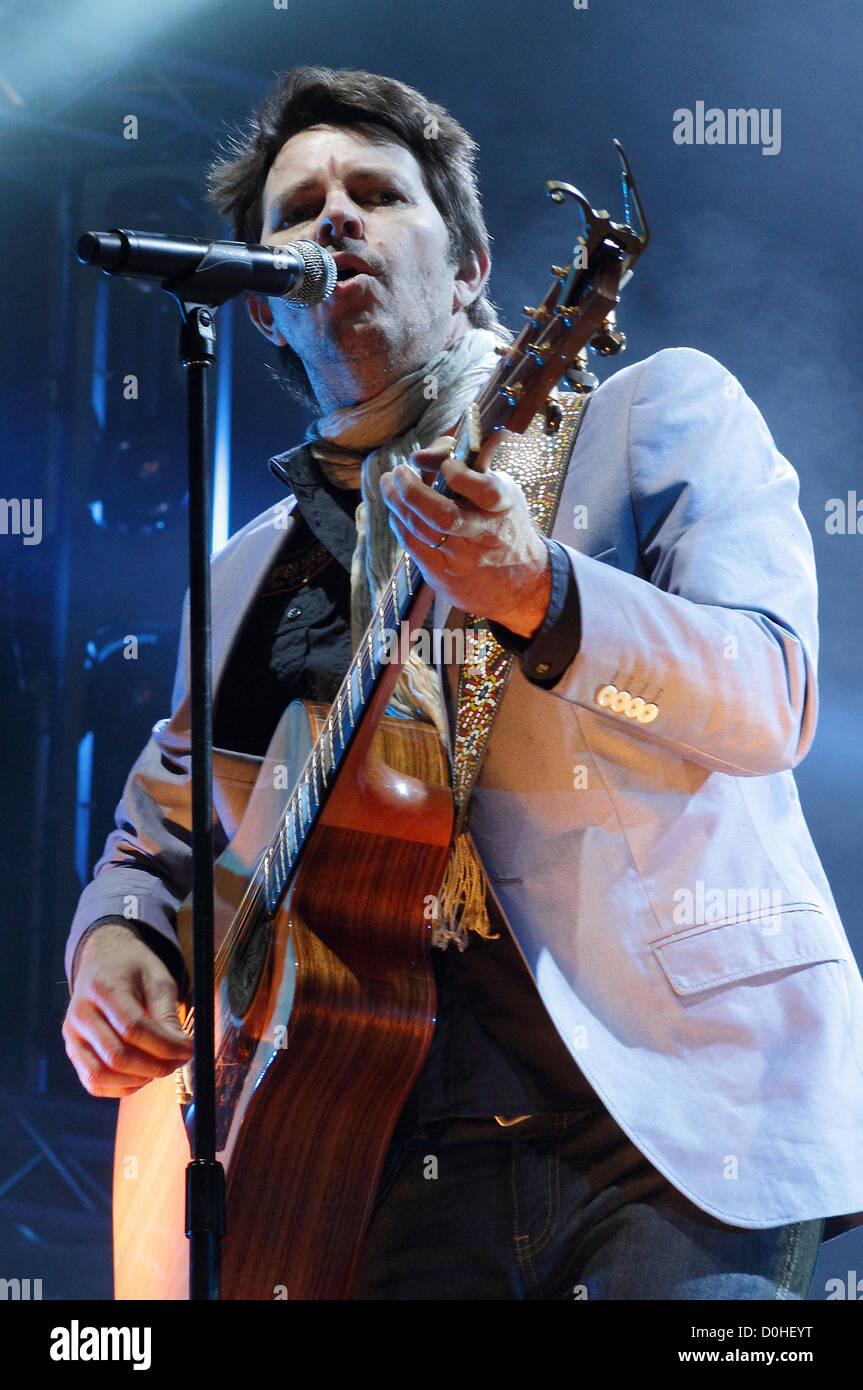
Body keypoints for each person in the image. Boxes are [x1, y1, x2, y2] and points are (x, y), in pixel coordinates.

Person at [62, 65, 863, 1300]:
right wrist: (115, 943)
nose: (333, 219)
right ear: (265, 307)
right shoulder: (240, 577)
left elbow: (768, 699)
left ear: (474, 266)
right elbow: (159, 833)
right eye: (297, 207)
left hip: (673, 1133)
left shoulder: (648, 418)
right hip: (363, 1161)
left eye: (375, 193)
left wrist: (545, 592)